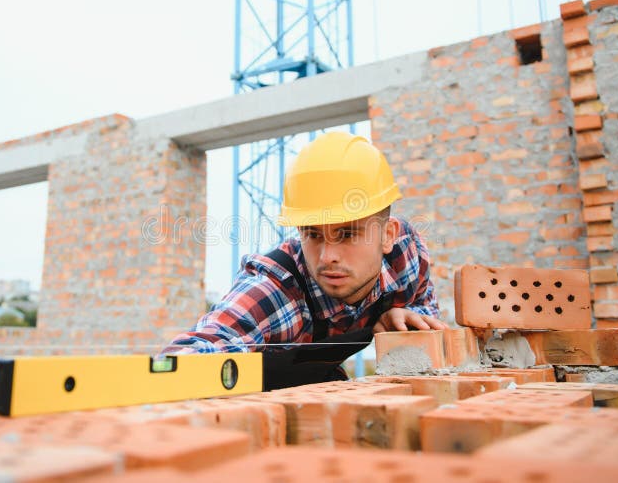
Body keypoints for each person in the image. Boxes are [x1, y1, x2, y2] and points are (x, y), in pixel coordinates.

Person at [161, 131, 447, 388]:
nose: (327, 257)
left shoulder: (406, 255)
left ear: (388, 236)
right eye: (312, 234)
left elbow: (423, 304)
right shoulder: (275, 288)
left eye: (346, 234)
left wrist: (407, 317)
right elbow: (185, 357)